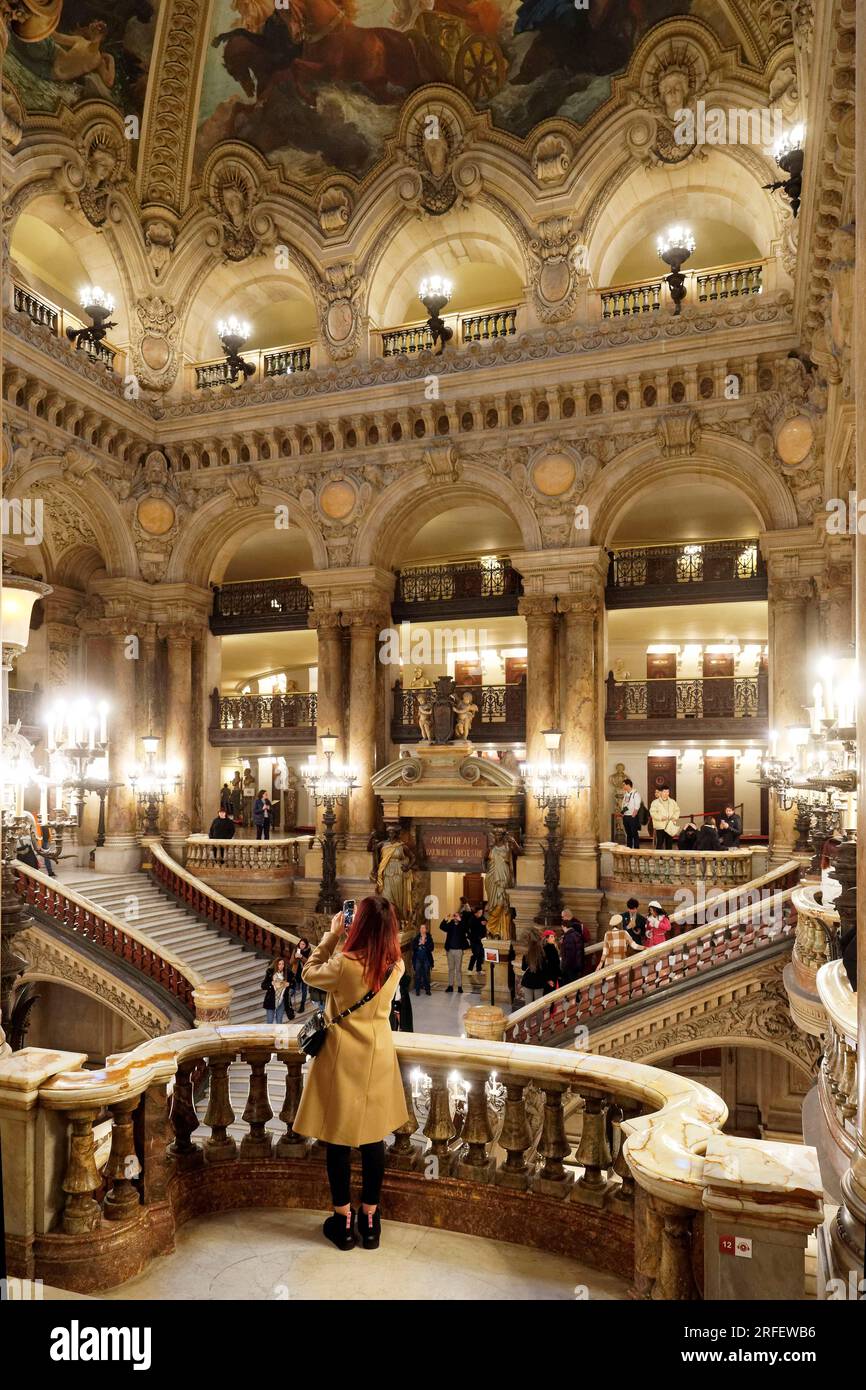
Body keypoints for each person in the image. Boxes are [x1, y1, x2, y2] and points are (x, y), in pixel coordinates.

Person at [295, 895, 407, 1251]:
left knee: (339, 1142)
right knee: (374, 1140)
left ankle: (343, 1223)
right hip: (378, 1056)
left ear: (356, 925)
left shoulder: (344, 964)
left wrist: (332, 936)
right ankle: (370, 1221)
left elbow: (308, 972)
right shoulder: (397, 965)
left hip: (342, 1057)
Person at [520, 928, 560, 1001]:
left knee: (528, 1006)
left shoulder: (527, 952)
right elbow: (544, 969)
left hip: (528, 981)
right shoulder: (542, 951)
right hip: (539, 982)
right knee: (538, 1005)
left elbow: (523, 967)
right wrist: (548, 980)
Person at [260, 956, 295, 1023]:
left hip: (282, 1000)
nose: (281, 966)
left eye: (283, 964)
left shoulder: (288, 973)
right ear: (276, 965)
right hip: (271, 999)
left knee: (279, 1021)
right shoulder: (270, 973)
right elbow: (263, 986)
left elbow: (294, 984)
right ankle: (270, 1033)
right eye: (279, 964)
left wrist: (289, 984)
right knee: (270, 1021)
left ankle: (278, 1033)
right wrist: (271, 983)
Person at [442, 910, 469, 993]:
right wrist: (445, 919)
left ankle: (459, 986)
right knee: (451, 969)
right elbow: (442, 927)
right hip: (450, 950)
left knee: (458, 969)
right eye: (454, 916)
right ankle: (450, 986)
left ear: (460, 917)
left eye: (457, 916)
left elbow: (466, 928)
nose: (455, 917)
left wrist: (460, 920)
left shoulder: (462, 925)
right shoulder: (450, 925)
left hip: (458, 951)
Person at [649, 784, 680, 849]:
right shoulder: (655, 802)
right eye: (664, 792)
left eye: (668, 792)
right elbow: (652, 813)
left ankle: (668, 857)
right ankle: (658, 857)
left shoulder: (672, 802)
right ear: (661, 792)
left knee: (669, 843)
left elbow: (677, 810)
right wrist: (660, 817)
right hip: (660, 826)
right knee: (660, 842)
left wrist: (674, 817)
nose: (666, 793)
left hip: (670, 825)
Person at [559, 914, 586, 984]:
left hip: (570, 968)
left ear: (563, 926)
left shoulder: (568, 937)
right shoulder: (577, 934)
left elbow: (569, 955)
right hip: (578, 965)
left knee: (570, 987)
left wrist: (563, 967)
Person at [411, 922, 435, 996]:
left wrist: (424, 943)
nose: (422, 929)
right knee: (417, 975)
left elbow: (431, 948)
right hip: (418, 958)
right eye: (421, 928)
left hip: (426, 959)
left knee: (426, 975)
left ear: (426, 929)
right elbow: (413, 947)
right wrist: (419, 944)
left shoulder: (429, 938)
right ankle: (417, 991)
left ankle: (427, 990)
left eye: (423, 928)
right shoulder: (417, 937)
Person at [620, 776, 642, 850]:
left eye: (624, 785)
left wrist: (634, 814)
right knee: (628, 833)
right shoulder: (626, 794)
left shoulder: (635, 794)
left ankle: (636, 849)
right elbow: (624, 803)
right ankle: (628, 848)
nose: (623, 786)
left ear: (628, 785)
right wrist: (622, 812)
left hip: (632, 816)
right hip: (625, 816)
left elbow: (637, 805)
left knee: (634, 833)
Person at [291, 937, 312, 1012]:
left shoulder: (309, 951)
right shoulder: (296, 949)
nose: (301, 945)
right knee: (293, 989)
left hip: (304, 973)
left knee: (304, 990)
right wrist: (295, 957)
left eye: (303, 944)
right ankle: (288, 1003)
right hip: (296, 973)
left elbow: (309, 962)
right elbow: (291, 962)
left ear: (306, 945)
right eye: (300, 944)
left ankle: (302, 1006)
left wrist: (302, 957)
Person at [466, 905, 486, 975]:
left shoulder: (482, 918)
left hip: (482, 940)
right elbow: (470, 927)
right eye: (480, 912)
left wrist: (485, 923)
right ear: (476, 913)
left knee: (481, 955)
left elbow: (485, 924)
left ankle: (479, 970)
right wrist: (480, 924)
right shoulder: (472, 919)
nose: (481, 914)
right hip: (474, 940)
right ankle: (469, 969)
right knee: (475, 954)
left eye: (482, 912)